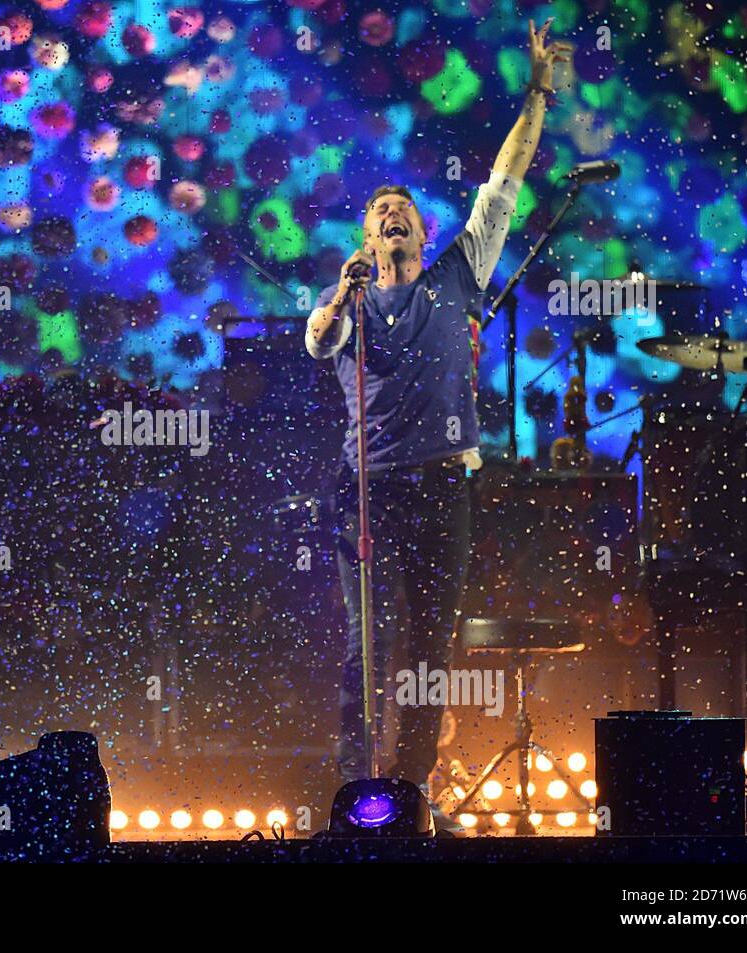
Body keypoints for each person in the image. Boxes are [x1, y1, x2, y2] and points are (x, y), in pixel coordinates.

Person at [305, 20, 570, 785]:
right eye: (378, 211)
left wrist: (539, 91)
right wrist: (343, 293)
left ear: (421, 230)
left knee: (428, 645)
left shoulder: (457, 274)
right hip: (368, 491)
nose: (391, 213)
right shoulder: (345, 297)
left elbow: (506, 177)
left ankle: (412, 787)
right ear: (365, 236)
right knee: (366, 640)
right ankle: (358, 786)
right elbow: (318, 343)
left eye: (403, 209)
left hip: (442, 485)